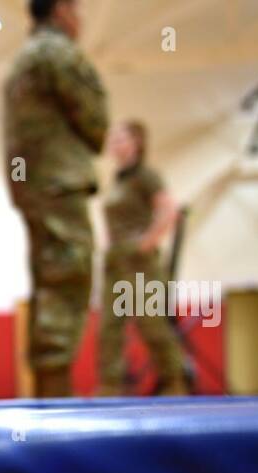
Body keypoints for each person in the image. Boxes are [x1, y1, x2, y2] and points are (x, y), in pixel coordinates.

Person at [3, 0, 108, 397]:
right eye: (76, 9)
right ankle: (54, 397)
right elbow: (96, 124)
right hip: (59, 186)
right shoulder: (57, 53)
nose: (79, 18)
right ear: (62, 10)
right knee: (67, 285)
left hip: (35, 189)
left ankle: (48, 393)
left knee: (49, 285)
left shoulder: (22, 61)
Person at [98, 120, 188, 395]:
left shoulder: (146, 176)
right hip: (115, 260)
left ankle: (174, 383)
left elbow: (169, 211)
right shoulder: (117, 179)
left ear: (137, 142)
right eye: (112, 139)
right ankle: (111, 388)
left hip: (139, 261)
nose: (115, 144)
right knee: (110, 327)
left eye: (121, 138)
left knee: (151, 324)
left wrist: (146, 243)